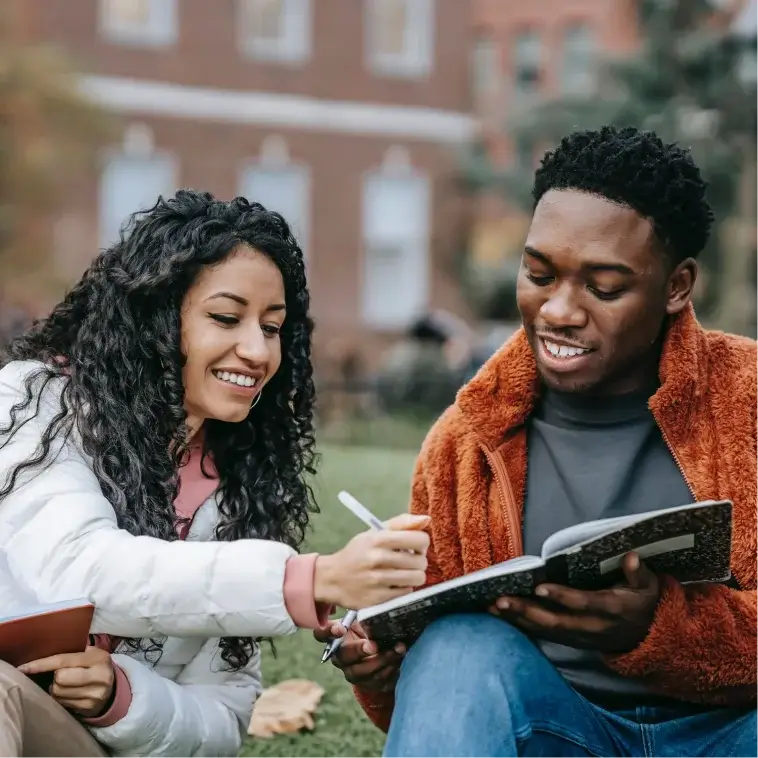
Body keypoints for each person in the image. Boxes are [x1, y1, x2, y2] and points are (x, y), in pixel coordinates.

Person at [316, 126, 758, 757]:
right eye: (538, 273)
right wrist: (380, 662)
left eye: (603, 287)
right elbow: (450, 701)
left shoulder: (748, 400)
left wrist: (661, 629)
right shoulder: (465, 441)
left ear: (677, 286)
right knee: (454, 646)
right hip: (557, 729)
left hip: (731, 733)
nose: (558, 310)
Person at [0, 190, 430, 758]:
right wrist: (307, 581)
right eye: (226, 317)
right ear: (153, 319)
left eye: (273, 327)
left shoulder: (243, 489)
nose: (256, 350)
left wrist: (120, 697)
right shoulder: (35, 402)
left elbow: (223, 719)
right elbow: (77, 570)